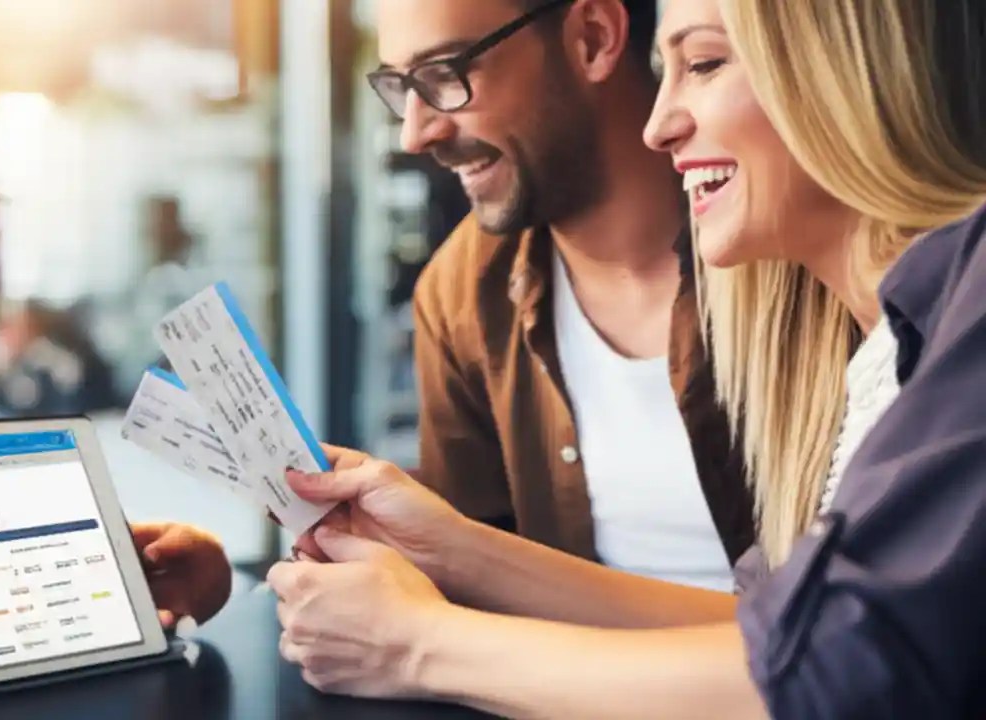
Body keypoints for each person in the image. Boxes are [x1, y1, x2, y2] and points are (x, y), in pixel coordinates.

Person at [268, 0, 986, 716]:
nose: (658, 124)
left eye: (704, 63)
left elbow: (830, 671)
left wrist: (419, 646)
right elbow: (774, 633)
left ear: (837, 76)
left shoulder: (933, 303)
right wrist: (451, 549)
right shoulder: (896, 336)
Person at [380, 0, 754, 591]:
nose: (416, 133)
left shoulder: (784, 236)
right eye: (399, 88)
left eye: (446, 74)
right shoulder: (459, 294)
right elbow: (471, 581)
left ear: (593, 38)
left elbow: (849, 622)